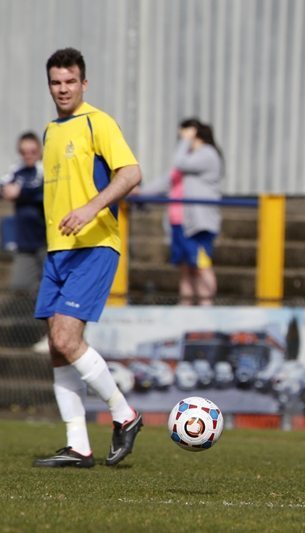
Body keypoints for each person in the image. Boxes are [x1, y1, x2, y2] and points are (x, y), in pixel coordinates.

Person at [33, 48, 143, 468]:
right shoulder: (50, 131)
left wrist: (91, 208)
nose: (63, 89)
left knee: (66, 339)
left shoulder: (99, 122)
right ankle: (78, 445)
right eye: (56, 82)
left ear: (84, 83)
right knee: (57, 349)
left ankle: (124, 414)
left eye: (70, 81)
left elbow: (131, 173)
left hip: (94, 246)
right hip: (58, 251)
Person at [137, 118, 223, 304]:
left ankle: (207, 306)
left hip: (198, 224)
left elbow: (179, 162)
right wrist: (140, 193)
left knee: (201, 266)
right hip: (179, 222)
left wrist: (186, 139)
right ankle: (186, 306)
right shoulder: (189, 157)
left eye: (184, 134)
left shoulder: (207, 155)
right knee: (185, 268)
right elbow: (166, 181)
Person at [0, 132, 46, 296]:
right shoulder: (17, 171)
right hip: (25, 242)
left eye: (32, 151)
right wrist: (7, 192)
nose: (28, 156)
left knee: (49, 283)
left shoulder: (43, 170)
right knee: (20, 284)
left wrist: (21, 193)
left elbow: (41, 192)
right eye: (24, 152)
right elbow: (4, 187)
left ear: (39, 151)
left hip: (46, 241)